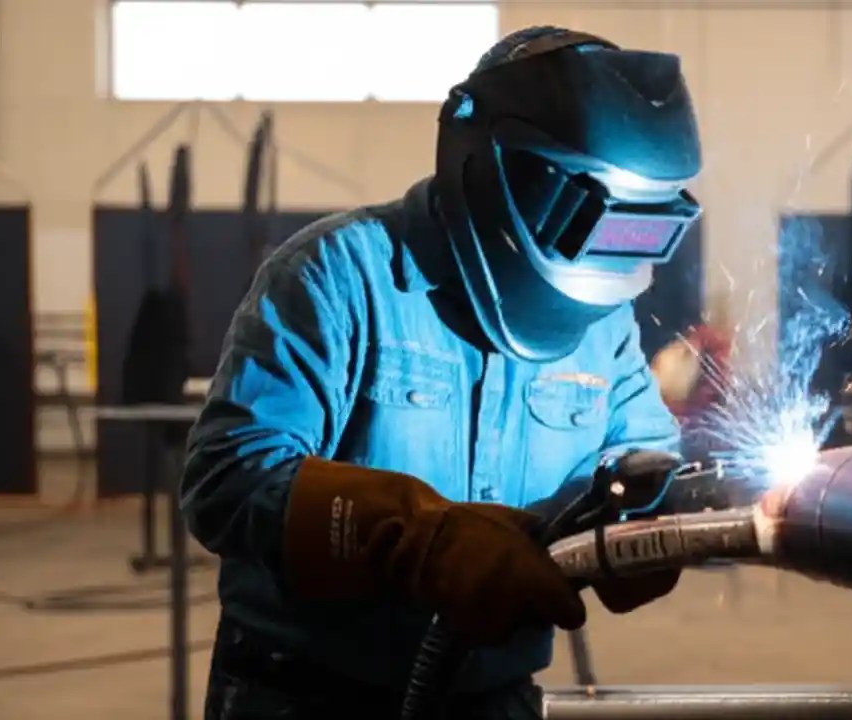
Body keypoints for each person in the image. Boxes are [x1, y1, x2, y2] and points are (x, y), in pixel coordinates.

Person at [181, 26, 704, 719]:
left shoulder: (602, 320)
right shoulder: (339, 276)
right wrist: (414, 534)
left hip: (491, 699)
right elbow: (226, 480)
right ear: (492, 170)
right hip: (303, 696)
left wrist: (650, 512)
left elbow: (640, 453)